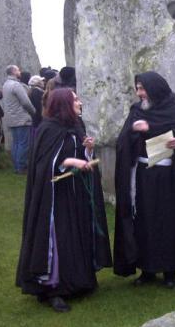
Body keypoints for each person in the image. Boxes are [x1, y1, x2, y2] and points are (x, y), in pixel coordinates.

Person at [15, 88, 112, 312]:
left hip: (77, 193)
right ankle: (54, 290)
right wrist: (70, 162)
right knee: (60, 238)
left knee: (78, 234)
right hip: (55, 197)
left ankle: (79, 282)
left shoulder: (77, 125)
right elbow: (43, 164)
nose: (79, 102)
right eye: (75, 99)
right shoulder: (48, 129)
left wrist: (88, 151)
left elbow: (80, 155)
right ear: (64, 104)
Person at [113, 71, 175, 288]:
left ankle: (169, 271)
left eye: (142, 88)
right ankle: (146, 269)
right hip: (143, 176)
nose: (139, 93)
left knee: (168, 221)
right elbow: (122, 143)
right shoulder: (136, 111)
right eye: (137, 88)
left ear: (154, 89)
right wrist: (133, 131)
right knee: (143, 221)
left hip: (168, 178)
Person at [2, 65, 36, 174]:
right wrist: (33, 111)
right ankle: (22, 167)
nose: (19, 72)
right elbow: (25, 102)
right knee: (23, 144)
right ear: (13, 72)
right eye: (18, 70)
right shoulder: (16, 85)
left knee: (16, 143)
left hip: (11, 118)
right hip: (21, 117)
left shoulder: (5, 84)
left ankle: (16, 166)